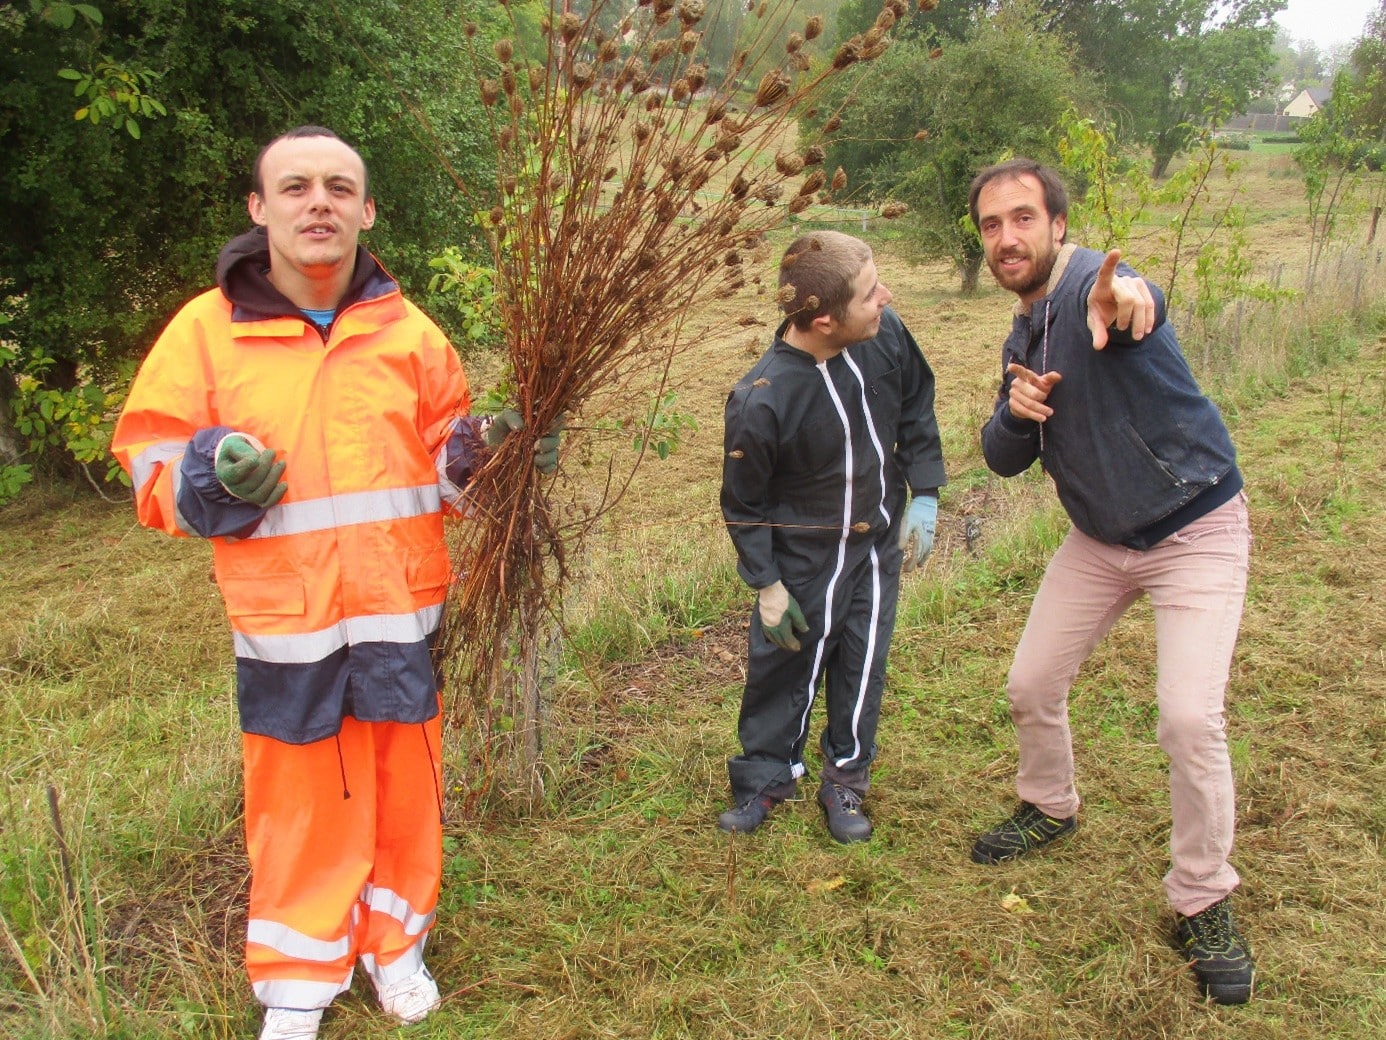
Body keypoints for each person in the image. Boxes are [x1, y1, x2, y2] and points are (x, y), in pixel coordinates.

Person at [111, 126, 557, 1040]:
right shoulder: (204, 334)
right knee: (300, 801)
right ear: (259, 208)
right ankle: (298, 984)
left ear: (366, 210)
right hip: (288, 623)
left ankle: (396, 950)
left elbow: (447, 472)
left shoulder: (411, 335)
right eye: (298, 186)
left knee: (404, 788)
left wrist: (496, 458)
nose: (320, 202)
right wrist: (206, 480)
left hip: (401, 609)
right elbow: (147, 472)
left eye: (339, 187)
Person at [966, 157, 1255, 1005]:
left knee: (1188, 717)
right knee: (1029, 683)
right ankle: (1049, 804)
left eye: (1023, 218)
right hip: (1099, 540)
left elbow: (1135, 307)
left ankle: (1202, 895)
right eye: (991, 225)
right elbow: (1001, 459)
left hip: (1194, 527)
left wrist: (1133, 303)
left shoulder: (1101, 288)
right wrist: (1014, 416)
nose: (1007, 237)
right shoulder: (1023, 333)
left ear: (1059, 224)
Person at [717, 230, 945, 844]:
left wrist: (923, 491)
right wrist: (766, 584)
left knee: (862, 663)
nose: (886, 299)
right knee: (784, 666)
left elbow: (918, 402)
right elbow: (743, 503)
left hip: (876, 546)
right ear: (822, 319)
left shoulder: (884, 335)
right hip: (803, 562)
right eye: (871, 294)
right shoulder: (761, 401)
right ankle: (765, 778)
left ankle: (845, 778)